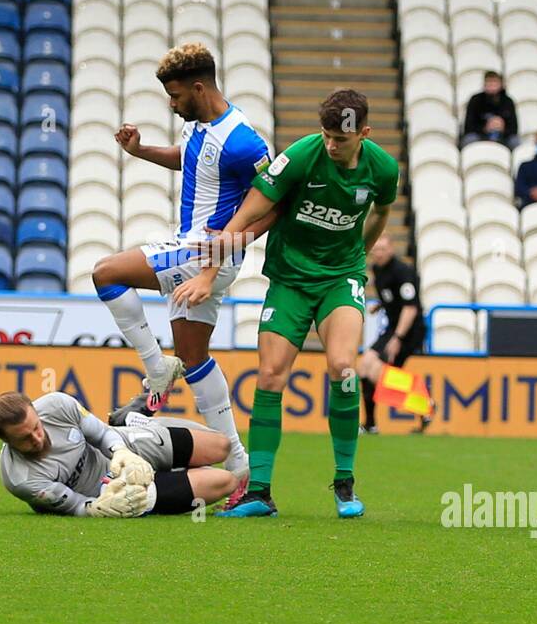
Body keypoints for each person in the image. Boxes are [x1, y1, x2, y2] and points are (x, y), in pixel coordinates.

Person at [172, 89, 400, 519]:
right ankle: (260, 492)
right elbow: (250, 210)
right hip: (290, 279)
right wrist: (211, 265)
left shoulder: (384, 169)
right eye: (327, 135)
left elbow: (381, 212)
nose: (331, 145)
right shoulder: (299, 157)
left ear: (364, 134)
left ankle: (345, 482)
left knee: (344, 369)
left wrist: (359, 257)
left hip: (339, 280)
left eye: (341, 139)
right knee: (271, 376)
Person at [91, 43, 275, 499]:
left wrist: (225, 251)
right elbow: (190, 158)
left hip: (202, 250)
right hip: (200, 253)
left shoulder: (243, 140)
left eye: (175, 96)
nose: (171, 105)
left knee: (105, 273)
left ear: (198, 87)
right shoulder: (201, 126)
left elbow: (276, 199)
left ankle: (156, 372)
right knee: (194, 358)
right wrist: (142, 151)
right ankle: (238, 466)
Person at [0, 391, 239, 517]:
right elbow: (77, 505)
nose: (37, 438)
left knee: (222, 447)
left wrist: (122, 452)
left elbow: (99, 434)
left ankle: (133, 420)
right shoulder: (21, 479)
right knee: (226, 481)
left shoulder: (56, 404)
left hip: (122, 448)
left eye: (36, 427)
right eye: (24, 438)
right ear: (5, 440)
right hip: (112, 490)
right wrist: (103, 506)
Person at [355, 233, 428, 435]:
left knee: (377, 372)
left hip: (410, 330)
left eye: (382, 249)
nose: (378, 253)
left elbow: (410, 308)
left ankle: (425, 404)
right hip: (392, 328)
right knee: (363, 368)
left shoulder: (403, 272)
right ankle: (370, 424)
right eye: (375, 250)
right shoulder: (378, 269)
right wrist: (381, 305)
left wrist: (398, 339)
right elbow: (392, 297)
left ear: (391, 250)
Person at [461, 70, 519, 148]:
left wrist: (502, 128)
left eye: (495, 83)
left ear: (501, 84)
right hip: (480, 135)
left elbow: (514, 128)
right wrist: (485, 128)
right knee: (469, 139)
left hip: (503, 136)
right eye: (489, 83)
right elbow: (468, 126)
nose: (492, 86)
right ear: (484, 85)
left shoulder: (508, 101)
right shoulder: (475, 100)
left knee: (515, 141)